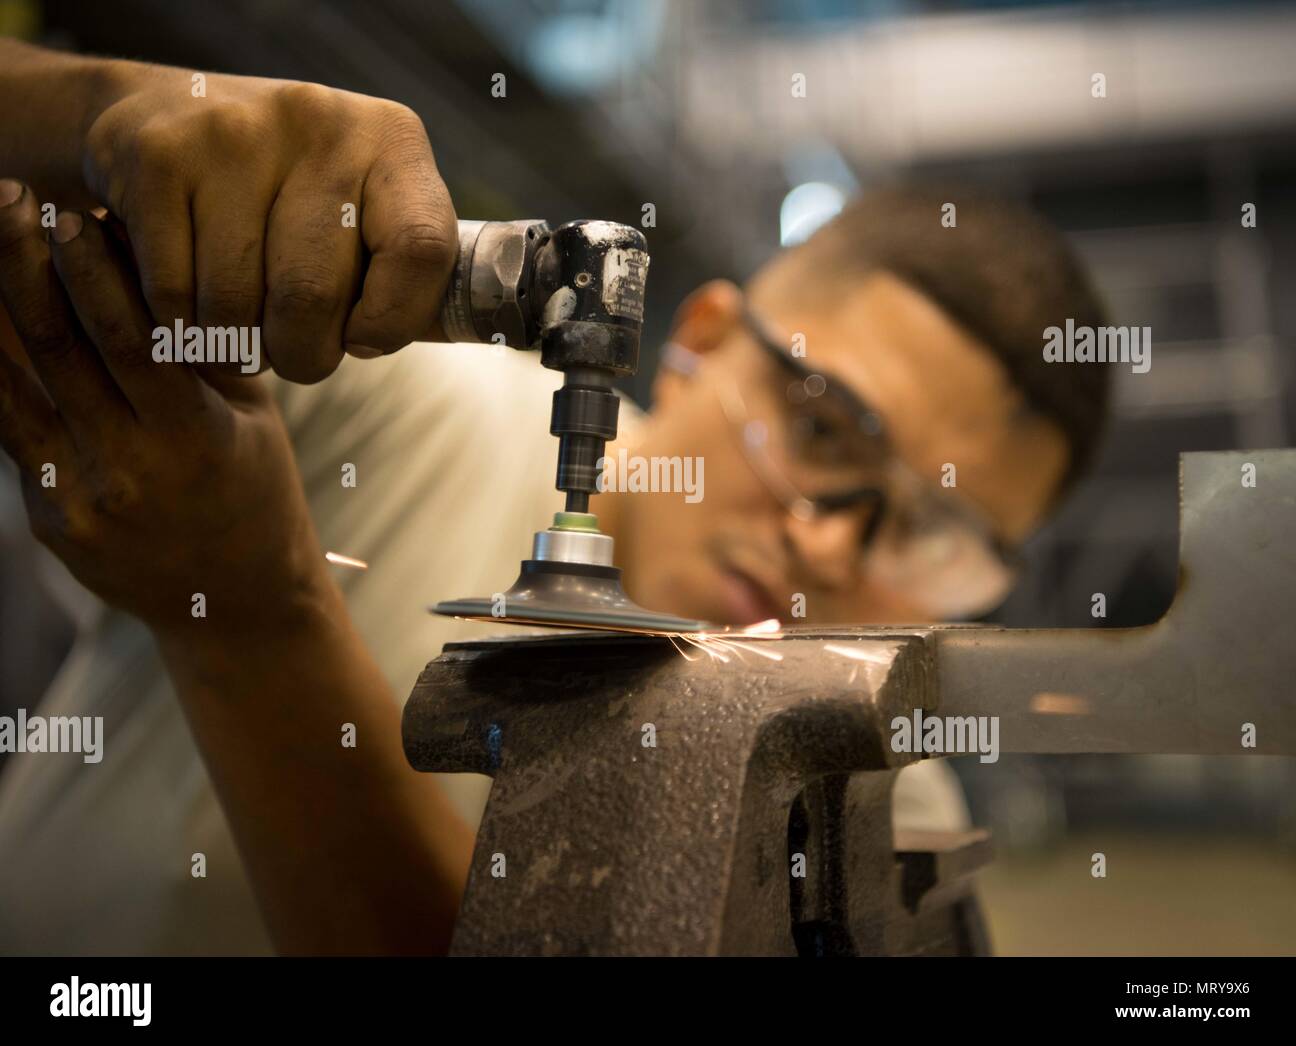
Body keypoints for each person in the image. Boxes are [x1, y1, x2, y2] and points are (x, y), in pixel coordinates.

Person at [0, 40, 1109, 955]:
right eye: (821, 428)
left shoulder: (881, 805)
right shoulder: (383, 388)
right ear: (704, 340)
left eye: (931, 532)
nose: (824, 540)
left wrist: (257, 613)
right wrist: (104, 116)